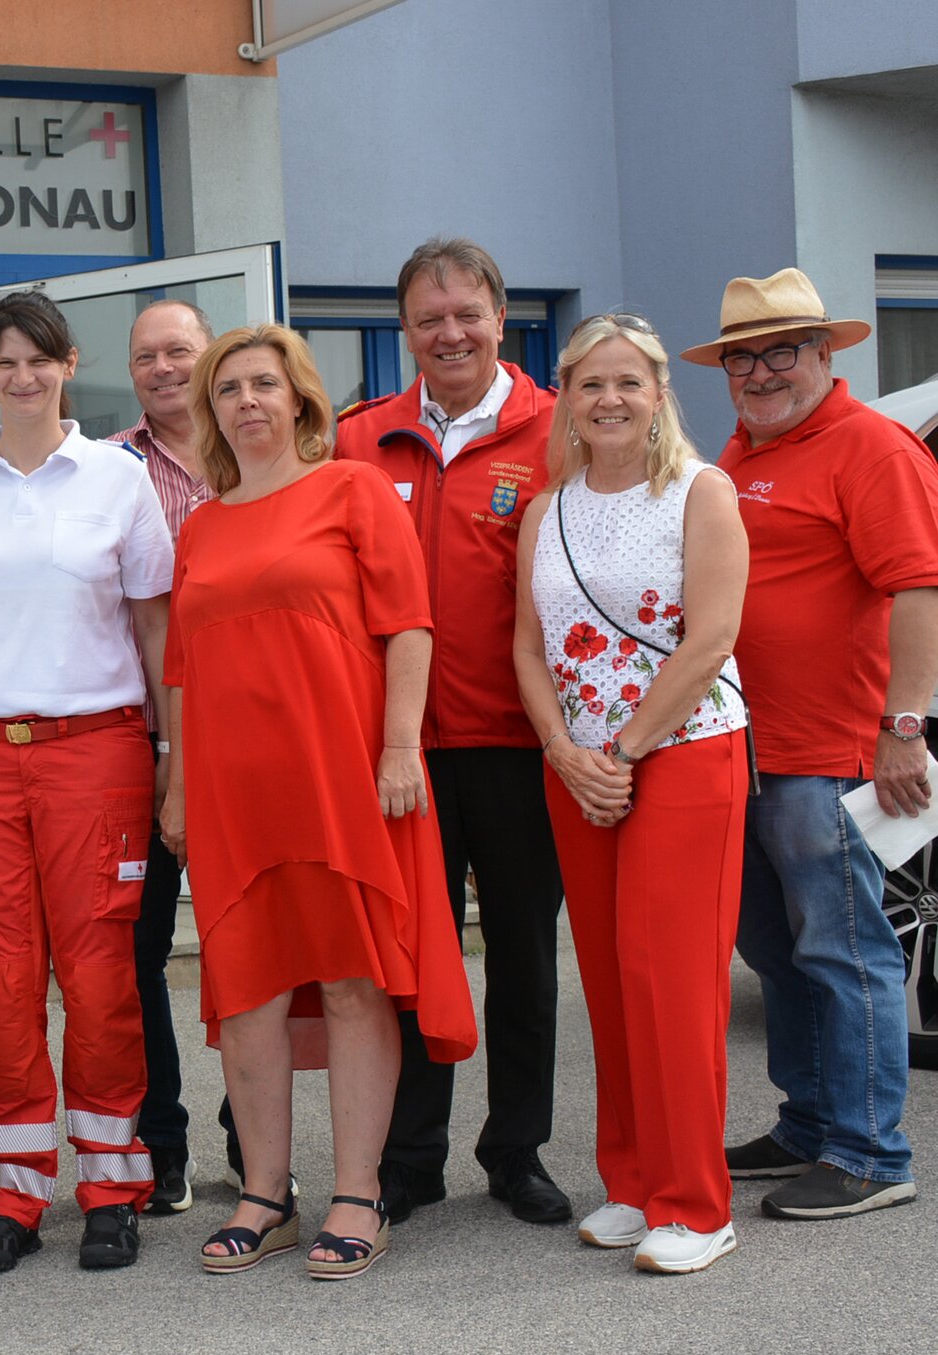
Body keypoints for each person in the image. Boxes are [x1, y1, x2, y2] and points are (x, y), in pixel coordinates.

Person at [163, 325, 476, 1281]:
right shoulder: (201, 524)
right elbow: (181, 669)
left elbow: (407, 625)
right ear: (211, 410)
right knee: (247, 984)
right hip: (233, 788)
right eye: (229, 389)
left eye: (265, 383)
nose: (247, 401)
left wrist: (397, 748)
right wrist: (176, 781)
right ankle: (265, 1195)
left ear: (300, 398)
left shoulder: (353, 489)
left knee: (351, 976)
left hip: (342, 773)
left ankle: (356, 1189)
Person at [0, 292, 171, 1274]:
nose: (21, 377)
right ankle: (13, 1191)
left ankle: (110, 1183)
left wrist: (168, 756)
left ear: (66, 365)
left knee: (97, 976)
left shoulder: (117, 479)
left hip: (95, 751)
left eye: (37, 360)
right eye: (4, 362)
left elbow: (153, 626)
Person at [680, 267, 938, 1219]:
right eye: (742, 357)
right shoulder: (738, 455)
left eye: (782, 349)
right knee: (775, 948)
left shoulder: (872, 447)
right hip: (743, 746)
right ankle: (811, 1121)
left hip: (827, 750)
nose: (760, 371)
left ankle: (872, 1151)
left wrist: (902, 728)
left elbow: (920, 587)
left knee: (842, 947)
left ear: (828, 353)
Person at [334, 237, 570, 1226]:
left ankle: (514, 1151)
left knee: (520, 952)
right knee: (408, 960)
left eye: (466, 313)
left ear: (501, 316)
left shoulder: (556, 431)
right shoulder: (357, 440)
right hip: (398, 750)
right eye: (428, 319)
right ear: (403, 331)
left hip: (518, 743)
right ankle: (409, 1157)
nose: (449, 333)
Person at [514, 313, 751, 1273]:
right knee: (610, 982)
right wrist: (566, 751)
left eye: (627, 382)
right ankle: (633, 1182)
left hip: (683, 753)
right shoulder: (546, 508)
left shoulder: (702, 491)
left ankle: (698, 1204)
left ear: (658, 394)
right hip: (580, 766)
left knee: (677, 983)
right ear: (565, 397)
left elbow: (712, 640)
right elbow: (527, 648)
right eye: (588, 383)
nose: (608, 399)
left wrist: (620, 749)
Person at [110, 297, 215, 1213]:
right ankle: (163, 1144)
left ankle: (257, 1147)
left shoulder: (264, 452)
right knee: (139, 959)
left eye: (179, 350)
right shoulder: (105, 469)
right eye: (146, 355)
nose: (163, 367)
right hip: (141, 748)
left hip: (257, 743)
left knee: (256, 956)